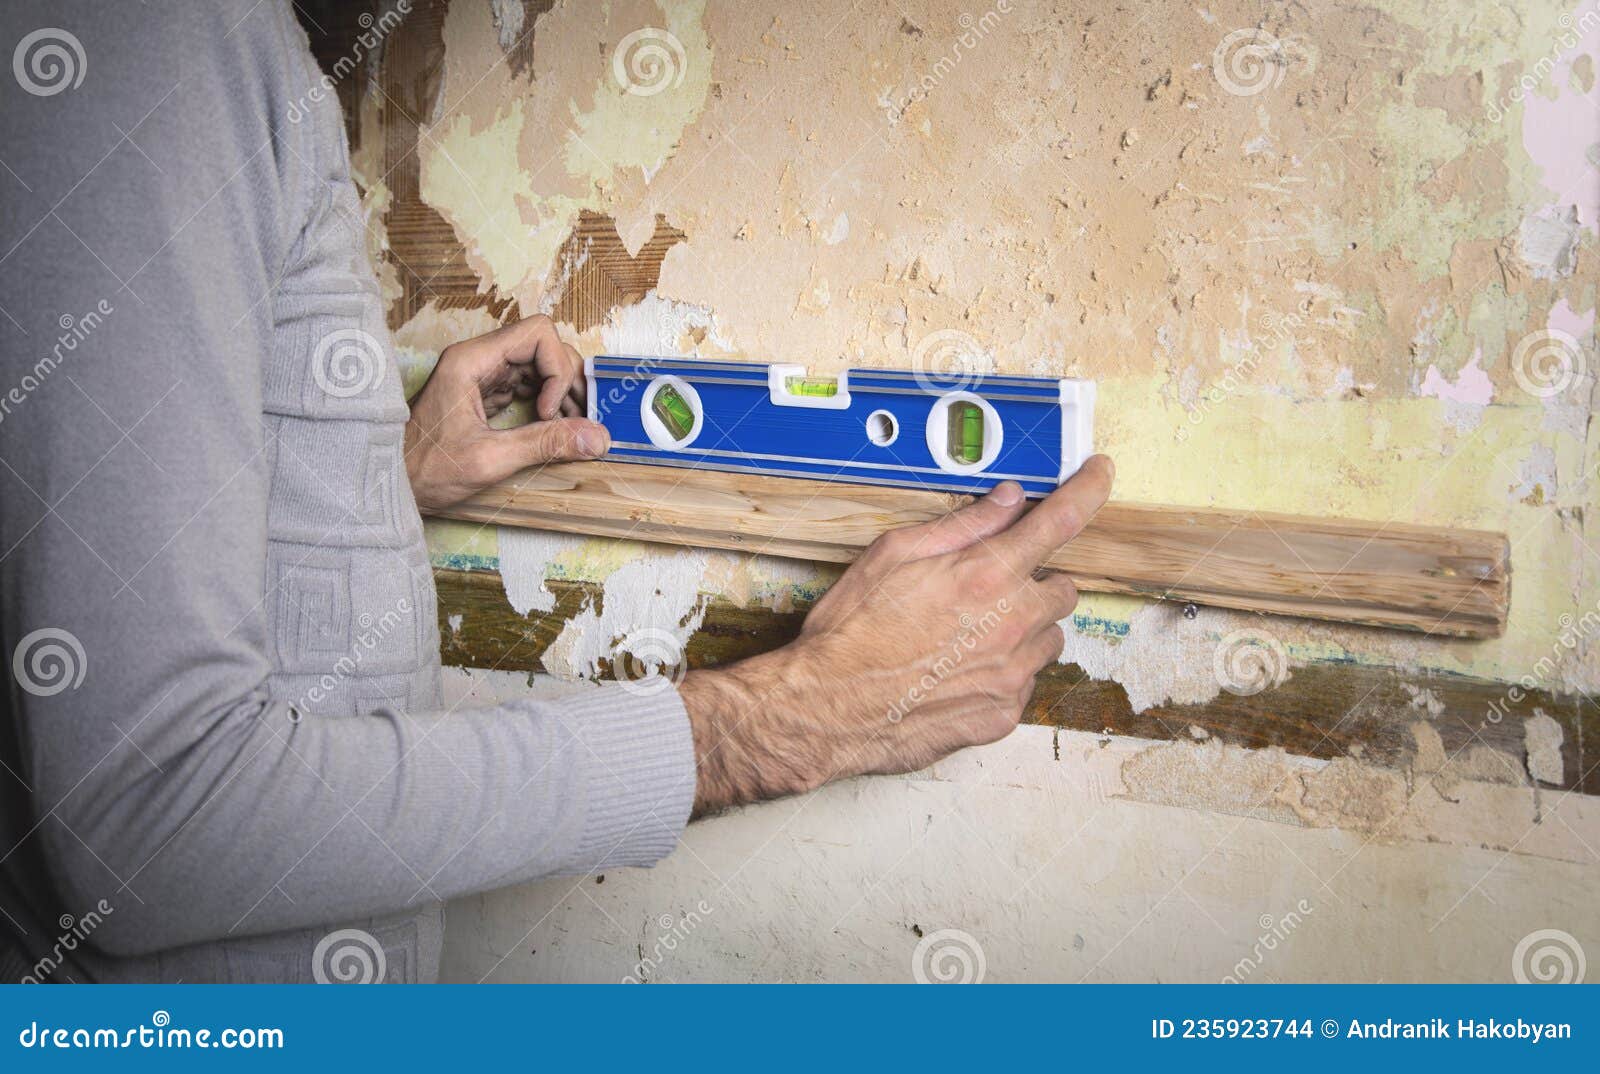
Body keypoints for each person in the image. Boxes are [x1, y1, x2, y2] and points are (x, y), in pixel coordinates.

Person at [0, 0, 1113, 982]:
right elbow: (153, 830)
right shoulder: (145, 33)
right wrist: (780, 719)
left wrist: (365, 489)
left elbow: (101, 538)